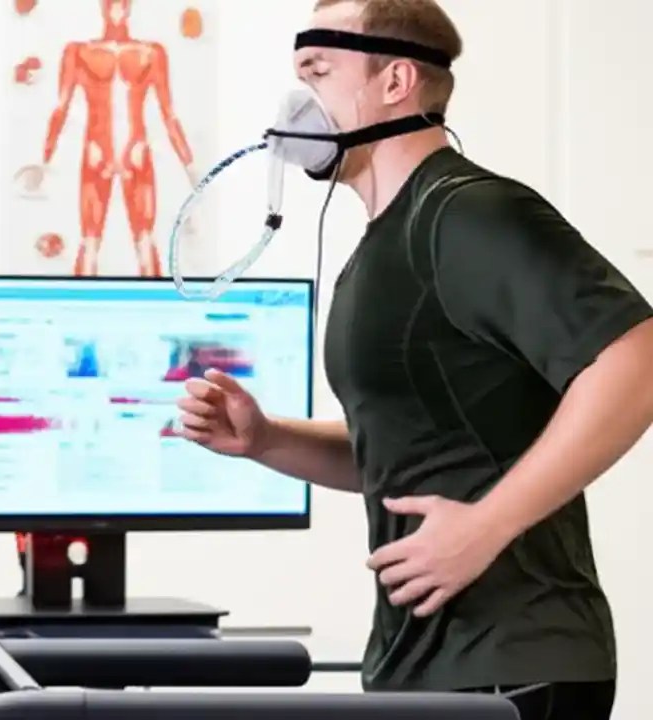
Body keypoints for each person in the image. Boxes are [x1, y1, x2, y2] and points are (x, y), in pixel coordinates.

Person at [176, 1, 653, 719]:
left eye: (318, 70)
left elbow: (637, 362)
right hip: (426, 665)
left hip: (510, 665)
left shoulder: (471, 213)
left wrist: (487, 525)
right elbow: (413, 454)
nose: (295, 102)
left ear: (396, 81)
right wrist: (269, 440)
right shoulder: (381, 243)